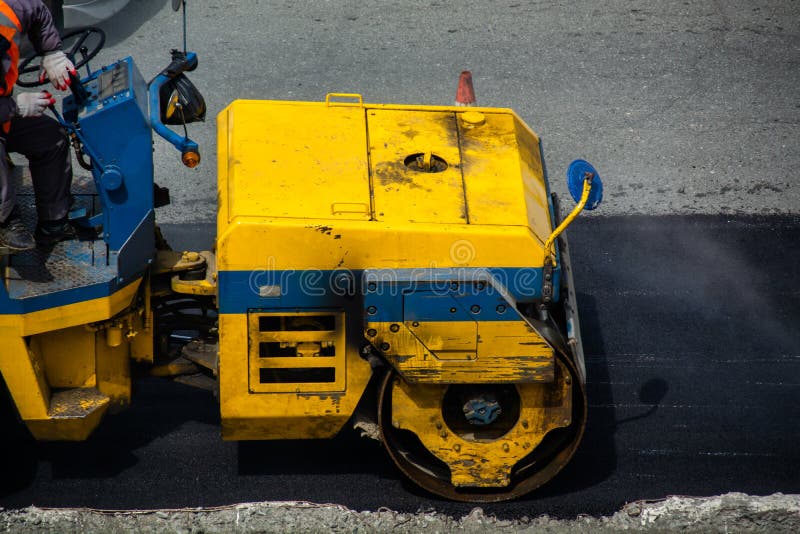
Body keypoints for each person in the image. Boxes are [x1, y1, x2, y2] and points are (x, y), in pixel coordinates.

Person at [0, 0, 76, 252]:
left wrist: (52, 53)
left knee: (51, 137)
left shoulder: (7, 10)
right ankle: (6, 222)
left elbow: (38, 11)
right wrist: (16, 108)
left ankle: (53, 224)